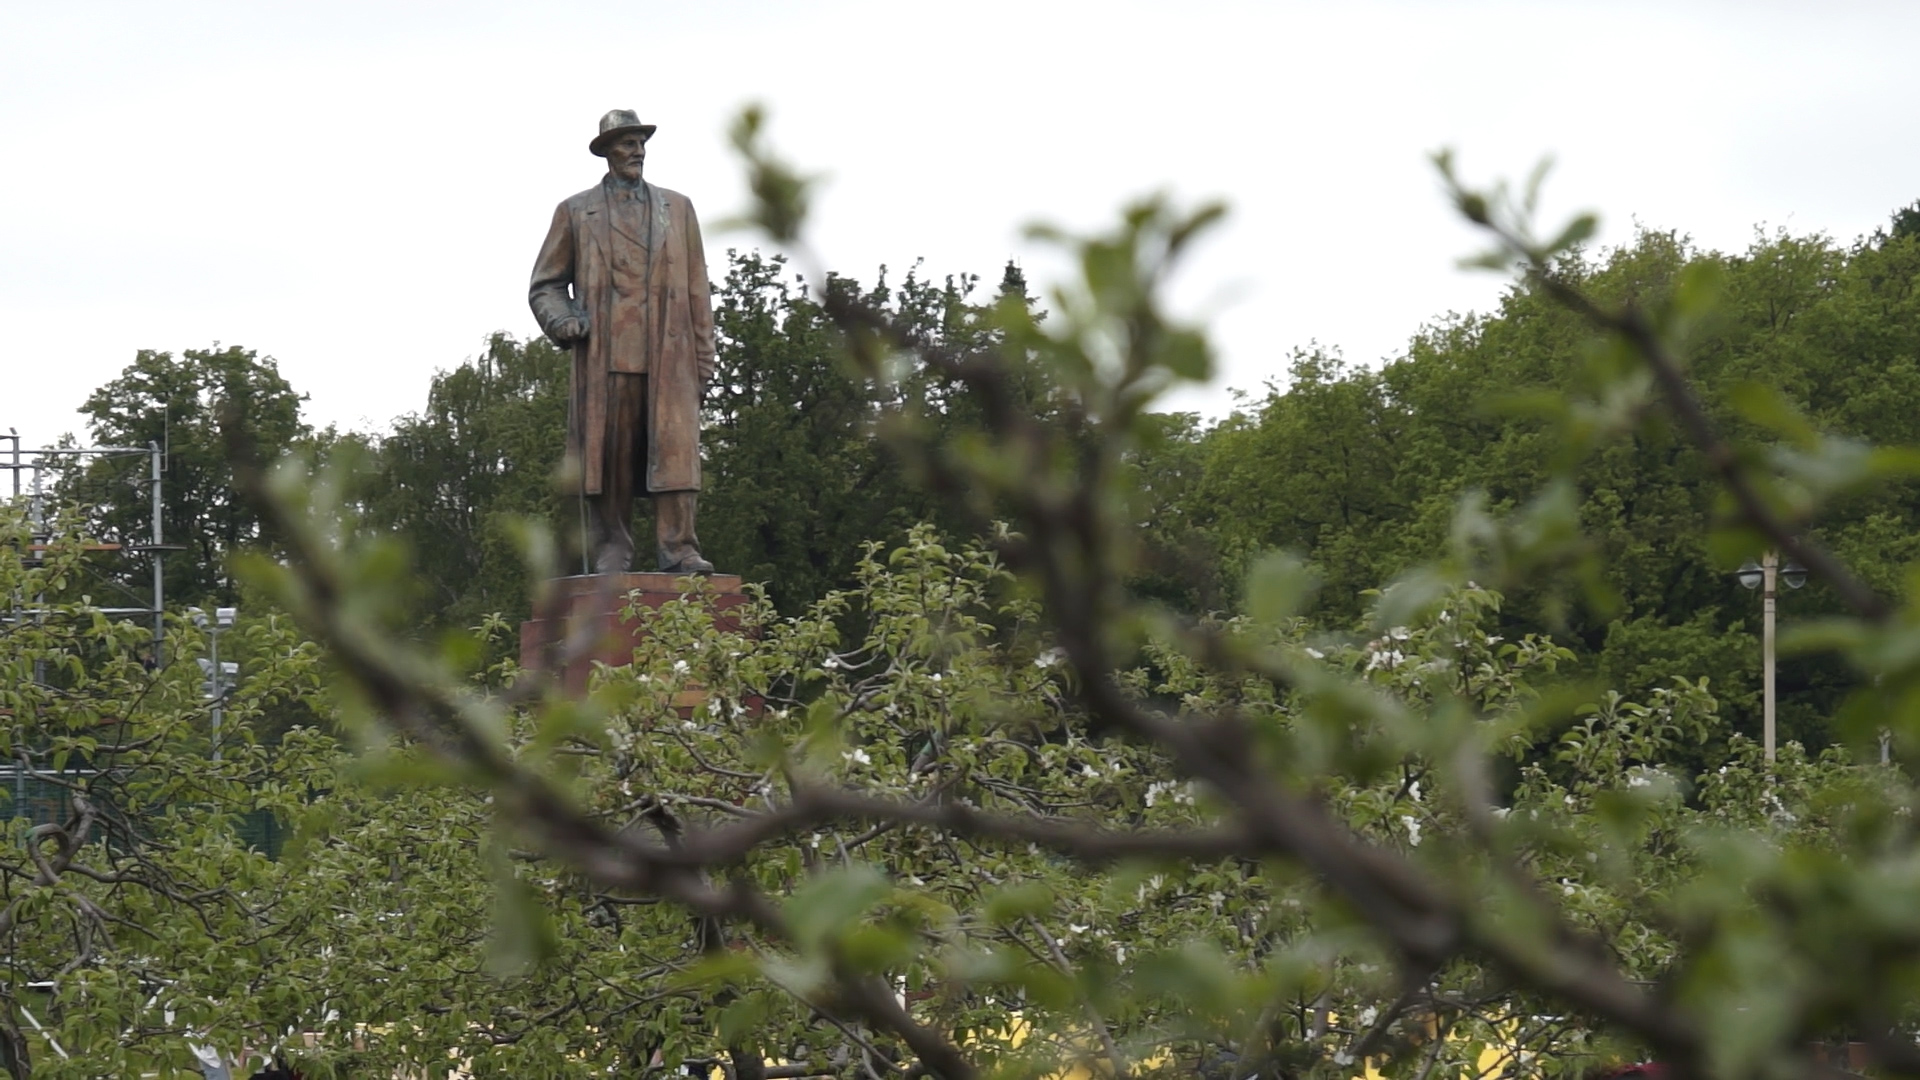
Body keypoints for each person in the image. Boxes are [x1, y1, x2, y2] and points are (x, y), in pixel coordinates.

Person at [529, 109, 718, 575]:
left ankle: (679, 549)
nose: (636, 152)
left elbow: (698, 288)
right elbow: (546, 285)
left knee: (675, 454)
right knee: (610, 457)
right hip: (606, 354)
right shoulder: (575, 211)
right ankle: (613, 547)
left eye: (640, 143)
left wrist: (704, 357)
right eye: (626, 144)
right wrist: (563, 320)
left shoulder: (679, 208)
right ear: (606, 151)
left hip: (669, 355)